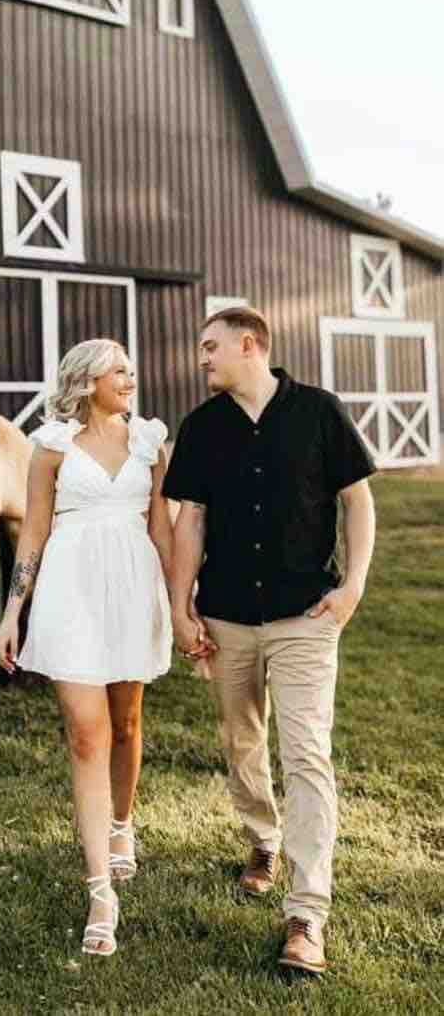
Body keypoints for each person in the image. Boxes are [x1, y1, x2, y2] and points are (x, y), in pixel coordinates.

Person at [162, 307, 376, 976]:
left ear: (248, 345)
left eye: (211, 347)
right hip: (225, 617)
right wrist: (180, 607)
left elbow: (358, 501)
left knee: (307, 755)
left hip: (305, 615)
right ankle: (262, 839)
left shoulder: (318, 412)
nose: (202, 359)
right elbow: (189, 521)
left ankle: (306, 916)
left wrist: (354, 587)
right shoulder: (201, 428)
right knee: (240, 739)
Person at [0, 339, 173, 957]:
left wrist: (182, 605)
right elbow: (34, 532)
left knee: (126, 722)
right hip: (70, 591)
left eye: (130, 366)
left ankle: (123, 823)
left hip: (132, 589)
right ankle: (101, 890)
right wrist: (13, 612)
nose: (129, 376)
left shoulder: (150, 441)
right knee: (87, 734)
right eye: (117, 368)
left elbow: (163, 527)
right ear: (85, 379)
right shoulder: (50, 447)